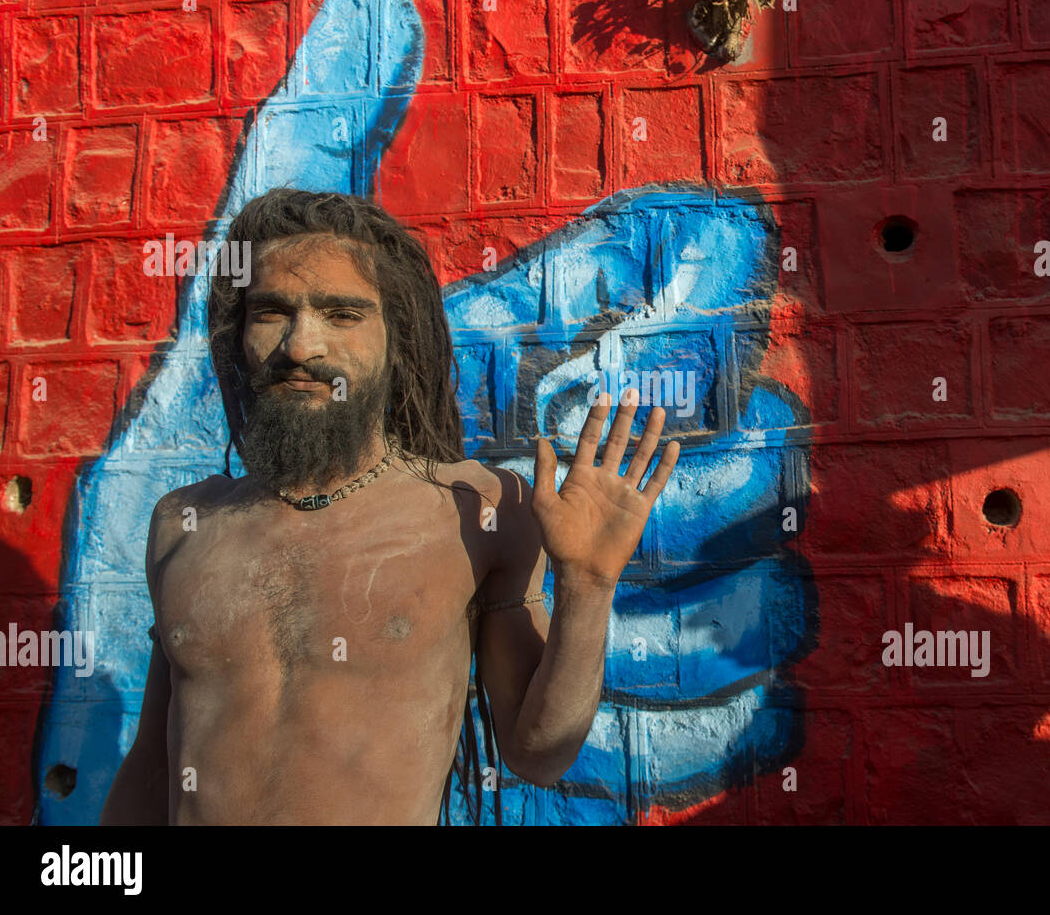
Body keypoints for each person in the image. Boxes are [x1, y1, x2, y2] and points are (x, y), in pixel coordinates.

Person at [99, 189, 680, 824]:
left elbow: (538, 753)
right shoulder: (184, 524)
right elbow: (152, 769)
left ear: (395, 338)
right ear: (238, 332)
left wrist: (589, 585)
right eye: (271, 312)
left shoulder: (476, 512)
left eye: (342, 313)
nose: (301, 346)